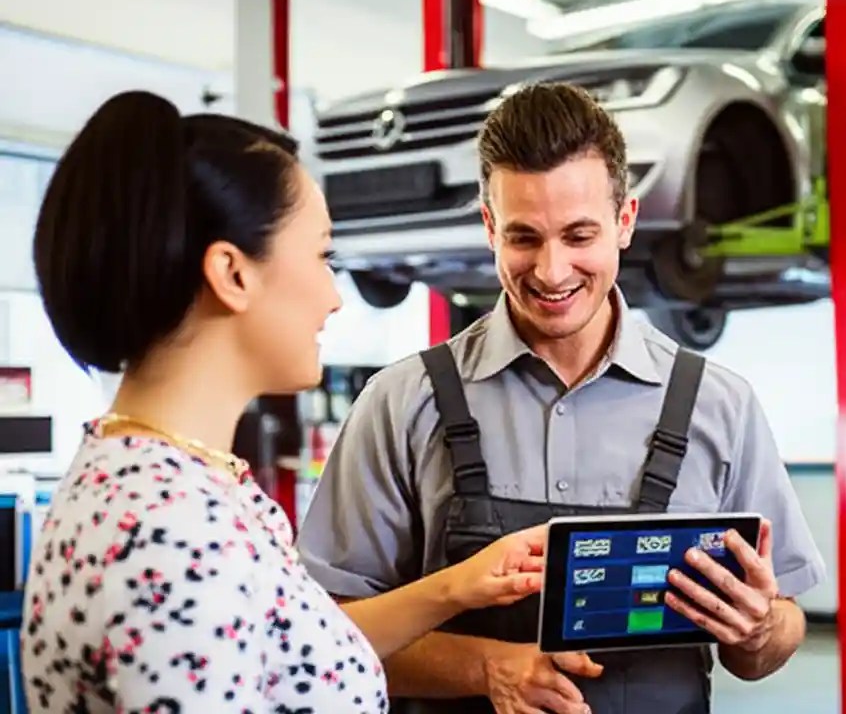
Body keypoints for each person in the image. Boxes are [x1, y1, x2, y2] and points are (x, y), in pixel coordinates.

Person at [297, 82, 826, 714]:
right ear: (489, 226)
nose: (551, 272)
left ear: (625, 221)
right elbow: (326, 634)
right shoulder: (402, 403)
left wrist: (761, 628)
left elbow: (778, 632)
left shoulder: (720, 406)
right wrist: (485, 669)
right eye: (524, 238)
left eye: (579, 236)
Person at [20, 90, 549, 714]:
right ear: (233, 274)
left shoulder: (175, 480)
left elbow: (294, 654)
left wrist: (456, 588)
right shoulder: (175, 535)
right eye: (322, 256)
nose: (334, 297)